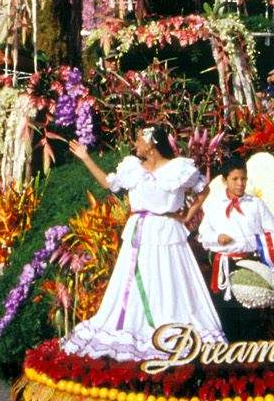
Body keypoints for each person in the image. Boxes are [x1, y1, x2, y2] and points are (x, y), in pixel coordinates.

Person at [61, 126, 226, 360]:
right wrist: (86, 158)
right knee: (140, 281)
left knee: (168, 281)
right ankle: (136, 328)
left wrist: (188, 215)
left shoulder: (177, 168)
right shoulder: (132, 168)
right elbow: (109, 184)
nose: (135, 145)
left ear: (151, 144)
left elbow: (203, 189)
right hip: (140, 233)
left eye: (138, 140)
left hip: (167, 232)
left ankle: (169, 328)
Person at [197, 157, 274, 302]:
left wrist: (272, 265)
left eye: (243, 179)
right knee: (228, 308)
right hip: (226, 264)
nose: (240, 184)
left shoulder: (256, 203)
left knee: (253, 307)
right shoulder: (215, 204)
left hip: (252, 263)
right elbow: (203, 235)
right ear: (224, 181)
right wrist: (217, 238)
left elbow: (272, 233)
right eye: (235, 179)